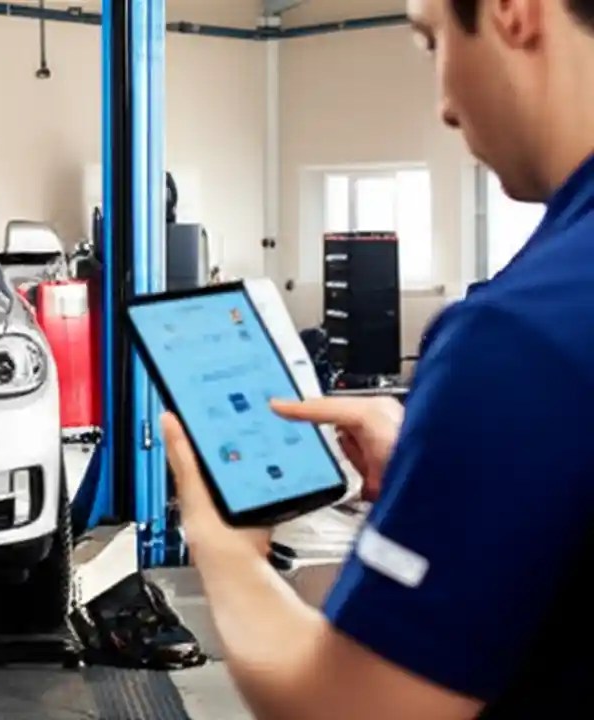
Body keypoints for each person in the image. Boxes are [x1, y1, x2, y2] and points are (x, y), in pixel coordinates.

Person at [161, 0, 594, 717]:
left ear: (514, 12)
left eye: (432, 42)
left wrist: (224, 550)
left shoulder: (517, 340)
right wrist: (449, 467)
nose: (447, 105)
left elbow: (353, 706)